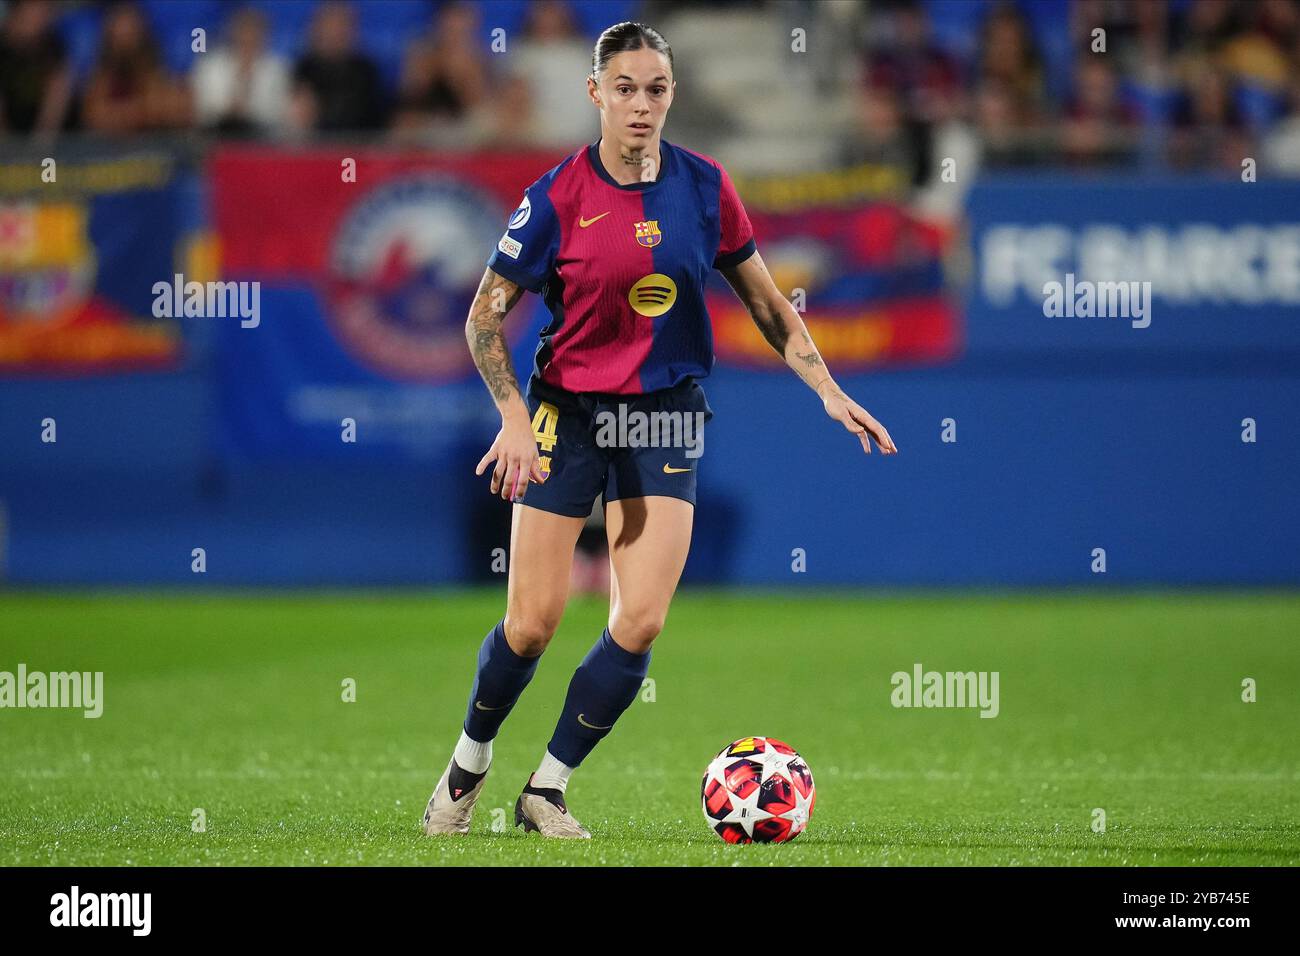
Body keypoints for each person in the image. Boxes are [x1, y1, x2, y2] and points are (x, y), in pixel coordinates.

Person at [422, 21, 896, 840]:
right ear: (596, 93)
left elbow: (767, 303)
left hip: (665, 416)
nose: (643, 104)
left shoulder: (707, 188)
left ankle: (546, 791)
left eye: (658, 89)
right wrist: (510, 420)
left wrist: (825, 387)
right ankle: (467, 766)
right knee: (532, 622)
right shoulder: (557, 197)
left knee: (639, 618)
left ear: (672, 95)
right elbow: (482, 319)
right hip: (564, 415)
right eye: (627, 88)